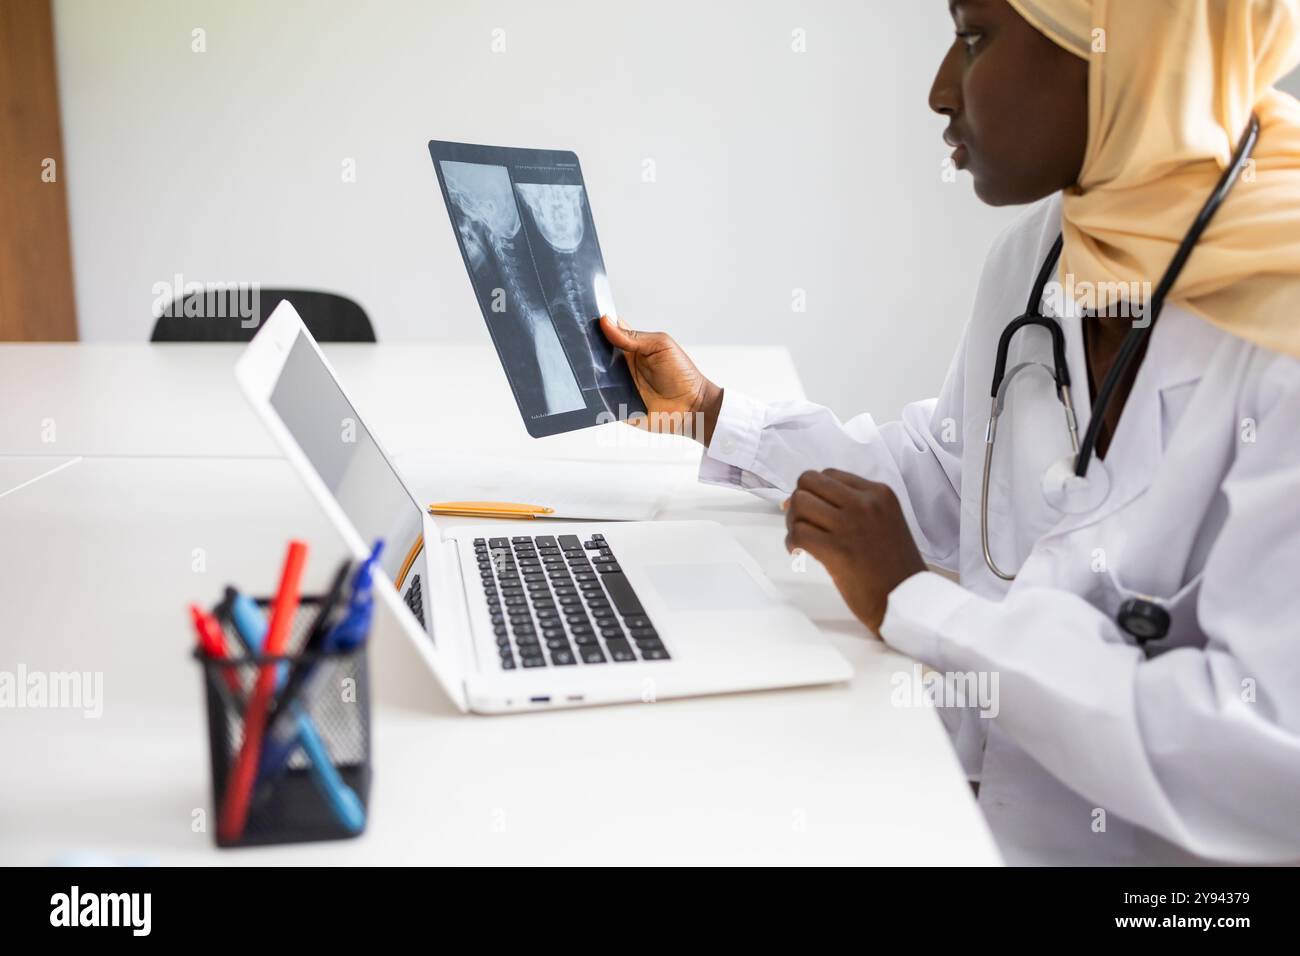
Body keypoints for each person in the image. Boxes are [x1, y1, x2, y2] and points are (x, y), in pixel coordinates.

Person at [599, 0, 1300, 865]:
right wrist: (707, 410)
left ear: (1120, 50)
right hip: (973, 817)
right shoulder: (1045, 253)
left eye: (973, 36)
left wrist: (920, 604)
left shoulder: (1284, 322)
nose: (939, 90)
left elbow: (1267, 752)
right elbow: (948, 473)